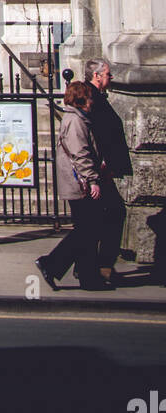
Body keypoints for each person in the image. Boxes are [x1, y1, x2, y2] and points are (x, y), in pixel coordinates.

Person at [36, 81, 111, 292]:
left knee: (88, 230)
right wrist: (93, 180)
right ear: (82, 99)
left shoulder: (77, 119)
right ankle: (51, 263)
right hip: (81, 184)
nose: (92, 101)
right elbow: (80, 154)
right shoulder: (76, 121)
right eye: (89, 97)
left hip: (78, 182)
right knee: (88, 229)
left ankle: (88, 277)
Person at [85, 58, 132, 285]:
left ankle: (91, 266)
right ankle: (102, 266)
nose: (111, 78)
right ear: (97, 76)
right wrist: (103, 163)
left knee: (102, 217)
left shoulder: (98, 97)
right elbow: (98, 135)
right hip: (100, 170)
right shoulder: (92, 99)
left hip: (104, 168)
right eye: (108, 74)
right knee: (114, 213)